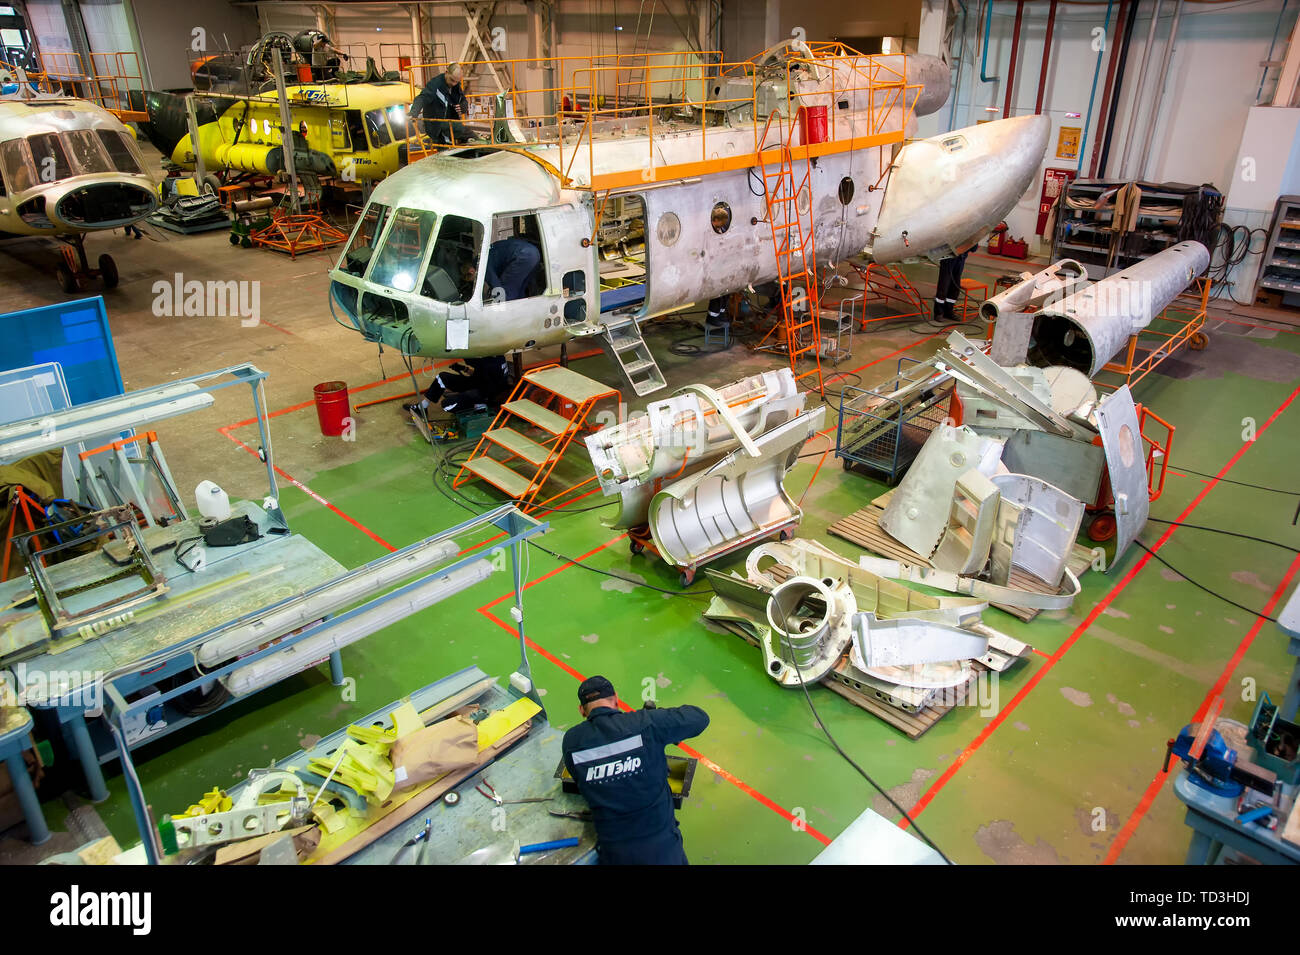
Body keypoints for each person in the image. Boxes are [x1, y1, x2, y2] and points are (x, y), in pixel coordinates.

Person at [561, 675, 709, 865]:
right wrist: (658, 720)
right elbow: (699, 718)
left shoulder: (571, 742)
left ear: (582, 710)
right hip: (663, 852)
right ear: (615, 699)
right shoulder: (645, 723)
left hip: (615, 855)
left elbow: (581, 781)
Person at [406, 355, 512, 419]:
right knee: (442, 377)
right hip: (481, 384)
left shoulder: (488, 361)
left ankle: (480, 407)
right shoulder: (496, 356)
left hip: (486, 394)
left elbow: (486, 380)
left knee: (447, 405)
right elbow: (480, 374)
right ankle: (422, 408)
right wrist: (464, 369)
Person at [410, 63, 471, 146]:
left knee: (464, 133)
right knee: (464, 131)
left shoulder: (455, 86)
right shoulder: (435, 85)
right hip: (436, 126)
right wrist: (413, 113)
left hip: (449, 123)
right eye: (452, 80)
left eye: (457, 82)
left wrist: (463, 106)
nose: (454, 84)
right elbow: (422, 98)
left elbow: (463, 100)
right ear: (446, 72)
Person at [932, 246, 971, 323]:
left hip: (960, 259)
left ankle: (948, 311)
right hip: (948, 259)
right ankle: (938, 313)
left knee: (955, 288)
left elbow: (973, 248)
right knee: (943, 286)